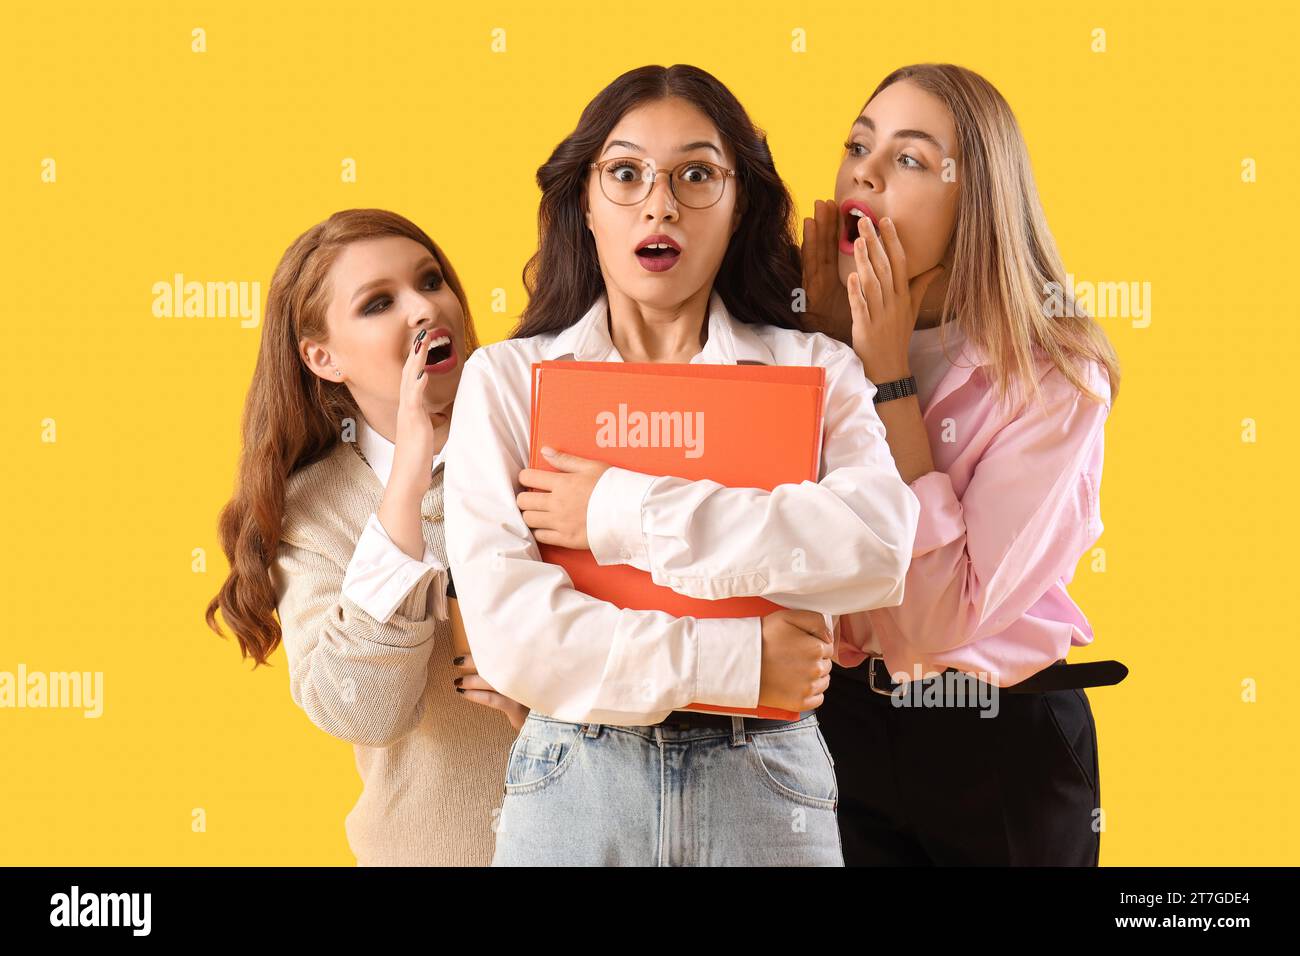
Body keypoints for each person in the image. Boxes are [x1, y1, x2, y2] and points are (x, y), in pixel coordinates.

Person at [443, 64, 921, 866]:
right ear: (585, 206)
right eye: (625, 174)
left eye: (697, 174)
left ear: (739, 208)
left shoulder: (815, 371)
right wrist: (741, 660)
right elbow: (514, 637)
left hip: (767, 785)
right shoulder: (505, 382)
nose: (658, 202)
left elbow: (876, 549)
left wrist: (616, 513)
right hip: (574, 781)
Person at [800, 63, 1122, 865]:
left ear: (973, 199)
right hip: (838, 727)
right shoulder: (812, 331)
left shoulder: (1055, 378)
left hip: (1000, 742)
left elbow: (937, 625)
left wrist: (888, 381)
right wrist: (815, 351)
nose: (863, 173)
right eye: (857, 145)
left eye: (908, 159)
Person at [205, 208, 526, 866]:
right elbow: (361, 712)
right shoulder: (312, 509)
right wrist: (406, 483)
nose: (424, 308)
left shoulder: (537, 441)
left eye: (431, 281)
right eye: (379, 302)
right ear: (322, 358)